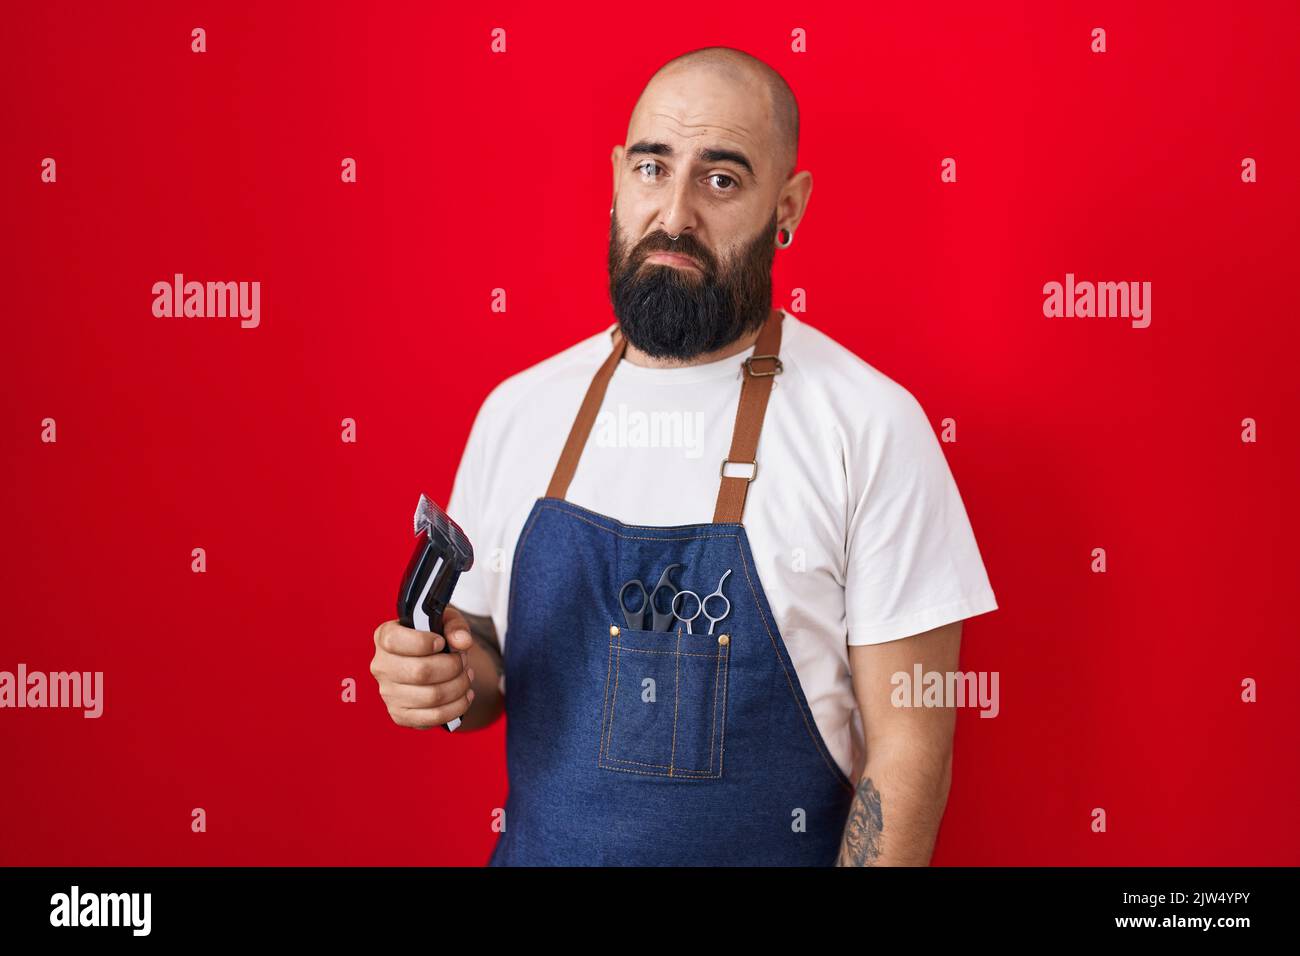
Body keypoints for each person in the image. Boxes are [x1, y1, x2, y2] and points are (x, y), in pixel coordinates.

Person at [370, 45, 998, 866]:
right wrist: (447, 682)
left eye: (722, 179)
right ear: (616, 178)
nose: (674, 215)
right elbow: (486, 663)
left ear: (789, 206)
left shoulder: (870, 425)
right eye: (652, 167)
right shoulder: (519, 412)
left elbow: (910, 750)